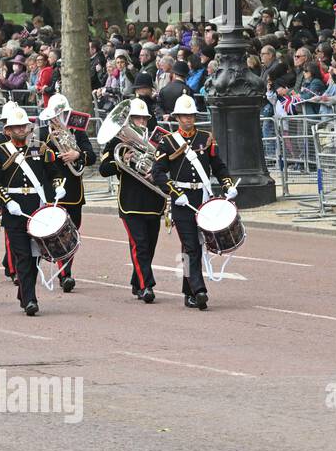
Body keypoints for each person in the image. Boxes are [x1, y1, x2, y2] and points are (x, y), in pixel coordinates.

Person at [152, 95, 235, 310]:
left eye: (191, 115)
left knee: (195, 245)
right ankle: (199, 290)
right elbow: (158, 172)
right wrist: (173, 192)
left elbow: (218, 166)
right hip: (181, 200)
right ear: (178, 117)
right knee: (191, 246)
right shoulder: (168, 142)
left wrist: (228, 184)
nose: (188, 119)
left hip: (203, 200)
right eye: (184, 116)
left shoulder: (205, 138)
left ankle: (188, 291)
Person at [0, 108, 59, 316]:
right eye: (16, 127)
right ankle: (30, 299)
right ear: (8, 130)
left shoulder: (40, 148)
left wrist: (58, 186)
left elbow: (53, 172)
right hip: (14, 210)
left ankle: (24, 293)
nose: (21, 129)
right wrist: (7, 201)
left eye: (23, 126)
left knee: (36, 256)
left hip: (36, 209)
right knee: (22, 255)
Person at [98, 98, 166, 303]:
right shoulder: (116, 142)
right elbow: (103, 169)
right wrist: (122, 162)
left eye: (143, 118)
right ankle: (147, 286)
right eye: (136, 118)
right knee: (140, 244)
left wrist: (156, 172)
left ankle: (137, 282)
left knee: (150, 245)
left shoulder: (158, 141)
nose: (141, 122)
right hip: (131, 201)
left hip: (153, 200)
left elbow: (168, 165)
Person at [38, 93, 96, 292]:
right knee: (57, 233)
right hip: (54, 188)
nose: (59, 118)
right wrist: (54, 155)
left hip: (74, 189)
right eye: (56, 115)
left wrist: (77, 154)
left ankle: (64, 271)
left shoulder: (77, 131)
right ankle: (65, 275)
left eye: (62, 113)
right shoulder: (44, 133)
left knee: (73, 232)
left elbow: (92, 156)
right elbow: (40, 159)